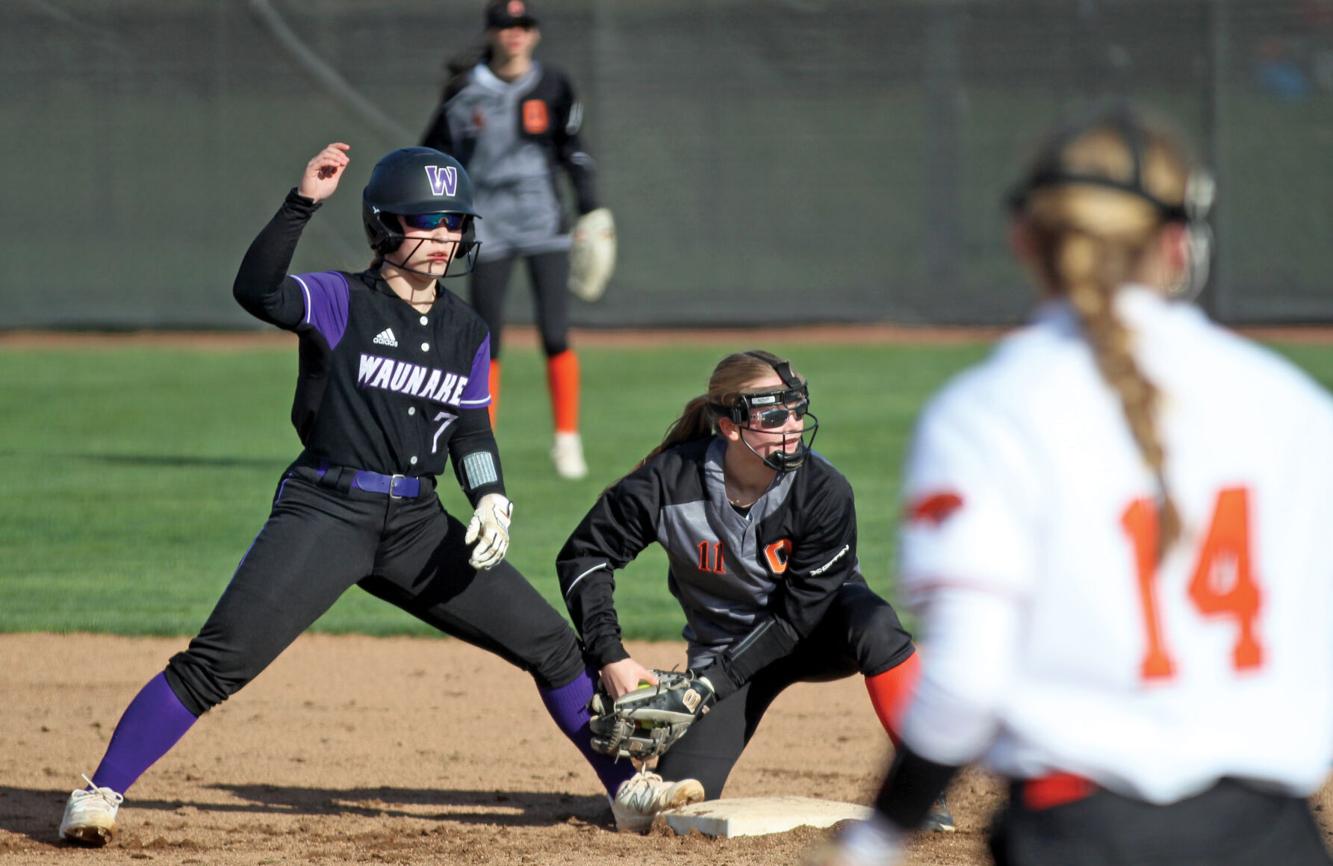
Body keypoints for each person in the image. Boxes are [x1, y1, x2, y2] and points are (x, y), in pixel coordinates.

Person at [57, 142, 699, 846]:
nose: (443, 236)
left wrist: (489, 498)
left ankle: (626, 792)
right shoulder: (339, 300)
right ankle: (98, 793)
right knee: (218, 663)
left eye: (453, 221)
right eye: (424, 221)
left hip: (418, 525)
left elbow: (470, 430)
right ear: (384, 228)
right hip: (327, 511)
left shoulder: (466, 329)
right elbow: (257, 291)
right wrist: (302, 203)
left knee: (550, 645)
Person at [815, 106, 1333, 866]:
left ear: (1024, 239)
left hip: (1080, 831)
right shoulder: (1293, 406)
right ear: (1180, 243)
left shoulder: (985, 413)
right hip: (1274, 837)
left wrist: (879, 835)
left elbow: (964, 683)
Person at [557, 350, 954, 831]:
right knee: (676, 813)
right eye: (773, 415)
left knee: (874, 622)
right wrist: (610, 654)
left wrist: (706, 687)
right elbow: (585, 556)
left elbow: (793, 620)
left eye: (796, 410)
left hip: (818, 634)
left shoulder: (822, 490)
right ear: (729, 426)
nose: (792, 425)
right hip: (726, 652)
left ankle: (922, 792)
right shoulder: (668, 481)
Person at [421, 0, 606, 480]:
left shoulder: (553, 84)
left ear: (535, 33)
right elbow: (435, 156)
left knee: (555, 333)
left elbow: (573, 150)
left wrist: (591, 208)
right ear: (491, 33)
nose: (515, 33)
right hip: (489, 226)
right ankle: (484, 436)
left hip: (544, 223)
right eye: (506, 25)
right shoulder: (463, 91)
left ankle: (568, 441)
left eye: (523, 25)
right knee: (486, 338)